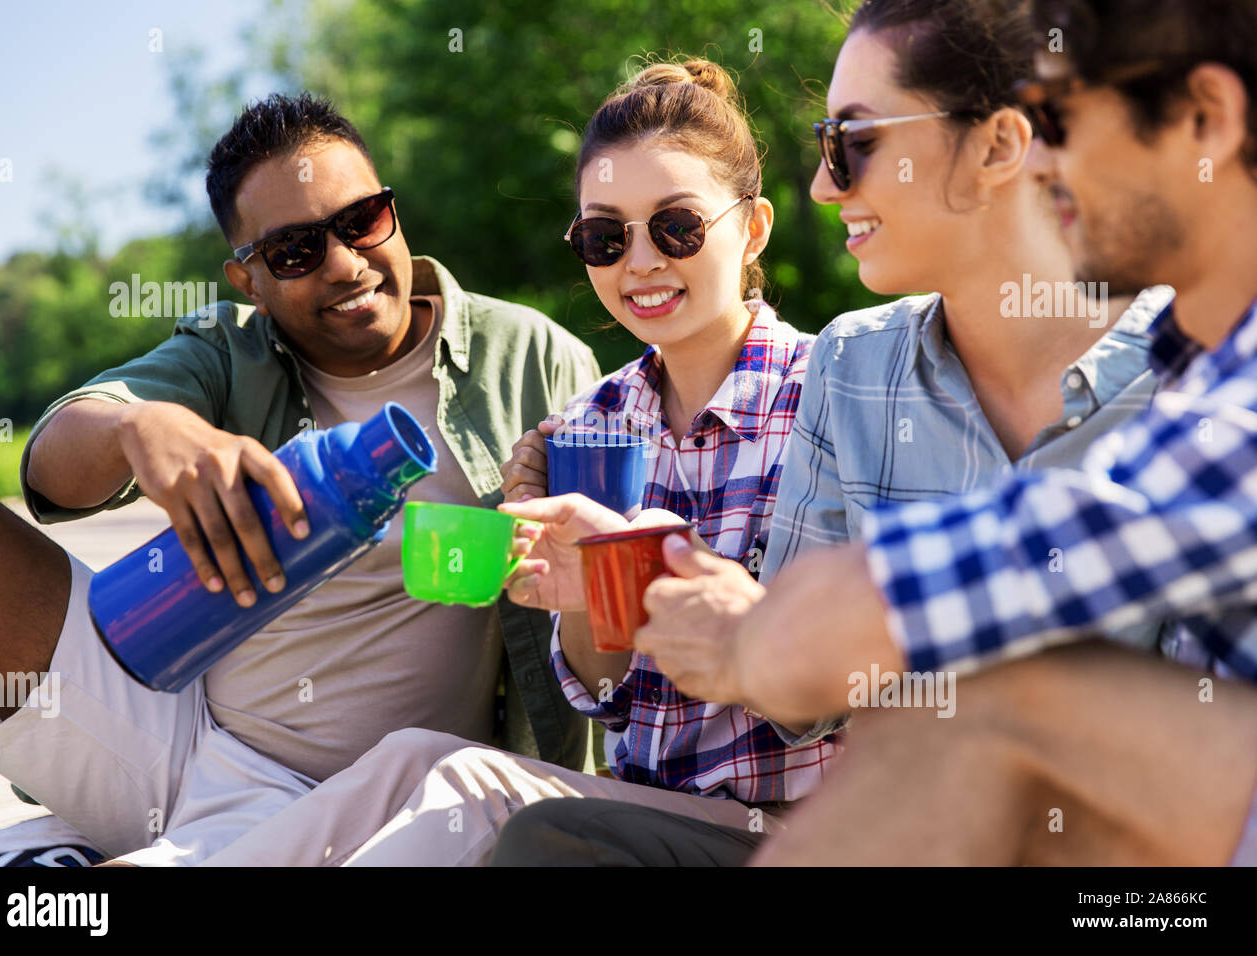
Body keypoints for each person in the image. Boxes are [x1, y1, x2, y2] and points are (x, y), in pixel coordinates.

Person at [489, 0, 1177, 865]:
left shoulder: (1198, 381)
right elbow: (796, 698)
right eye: (601, 236)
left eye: (856, 141)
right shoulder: (858, 363)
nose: (825, 184)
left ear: (1000, 145)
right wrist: (634, 578)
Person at [198, 57, 825, 867]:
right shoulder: (591, 420)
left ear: (755, 228)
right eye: (605, 236)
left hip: (801, 826)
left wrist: (649, 574)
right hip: (651, 810)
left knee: (482, 797)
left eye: (677, 226)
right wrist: (577, 594)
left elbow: (831, 692)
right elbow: (607, 698)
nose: (639, 264)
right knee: (414, 757)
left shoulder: (829, 395)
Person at [0, 92, 600, 866]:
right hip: (173, 726)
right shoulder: (228, 354)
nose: (344, 262)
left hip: (374, 799)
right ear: (247, 280)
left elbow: (598, 599)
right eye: (295, 251)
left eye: (361, 220)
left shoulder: (534, 357)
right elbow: (55, 463)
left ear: (392, 211)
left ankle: (96, 853)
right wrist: (140, 426)